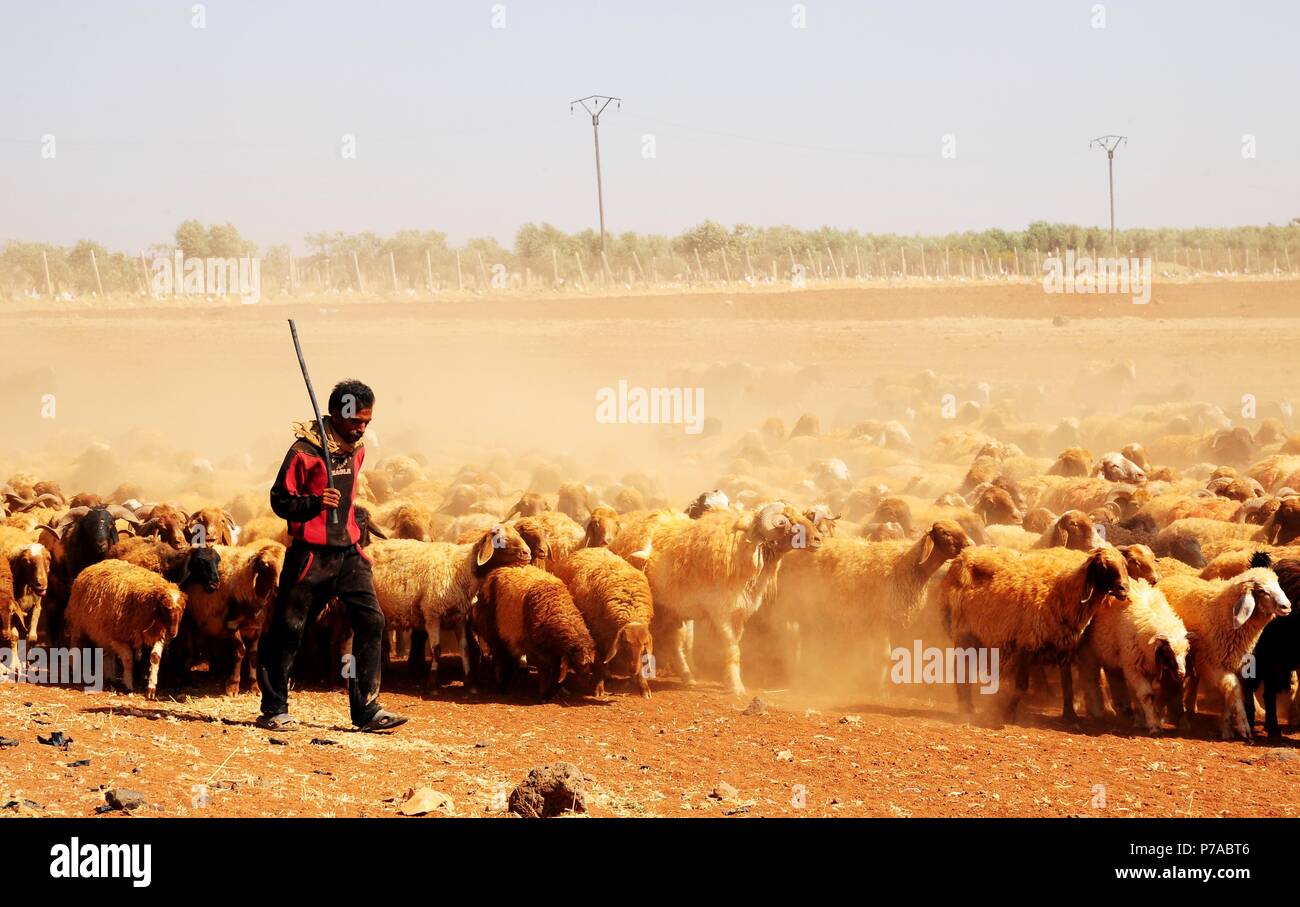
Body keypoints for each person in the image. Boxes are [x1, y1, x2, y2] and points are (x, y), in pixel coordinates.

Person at [255, 378, 407, 732]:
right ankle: (274, 708)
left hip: (349, 552)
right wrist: (313, 503)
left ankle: (366, 709)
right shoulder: (303, 453)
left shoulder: (358, 449)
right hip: (310, 555)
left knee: (372, 622)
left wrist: (357, 539)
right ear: (338, 413)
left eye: (367, 422)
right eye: (357, 421)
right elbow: (280, 500)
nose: (362, 428)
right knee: (289, 629)